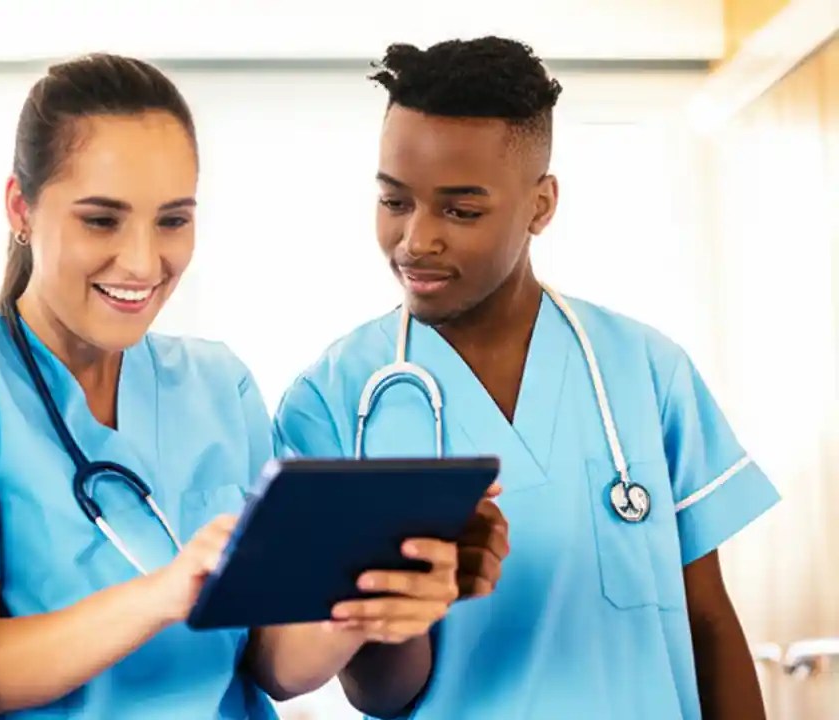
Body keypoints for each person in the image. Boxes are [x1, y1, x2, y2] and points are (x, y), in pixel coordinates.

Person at [0, 53, 503, 720]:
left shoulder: (219, 386)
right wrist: (163, 593)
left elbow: (274, 664)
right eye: (101, 220)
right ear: (20, 207)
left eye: (172, 220)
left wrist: (371, 600)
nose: (143, 261)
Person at [273, 36, 781, 720]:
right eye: (396, 202)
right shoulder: (332, 402)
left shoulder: (646, 371)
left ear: (541, 205)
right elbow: (377, 692)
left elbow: (710, 622)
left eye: (461, 210)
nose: (417, 239)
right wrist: (419, 590)